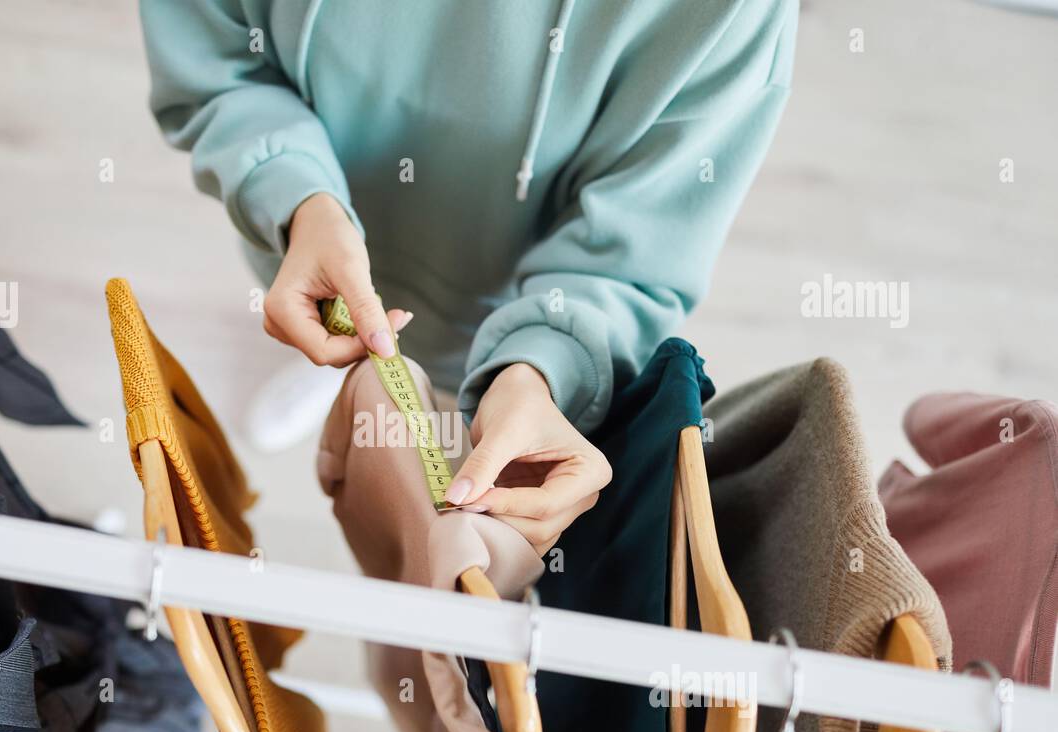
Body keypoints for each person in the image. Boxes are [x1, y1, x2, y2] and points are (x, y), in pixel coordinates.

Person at [139, 0, 797, 555]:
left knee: (438, 411)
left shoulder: (733, 17)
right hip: (307, 241)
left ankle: (422, 381)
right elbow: (213, 52)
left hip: (501, 301)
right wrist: (295, 196)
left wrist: (541, 367)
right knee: (341, 338)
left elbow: (641, 245)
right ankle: (341, 378)